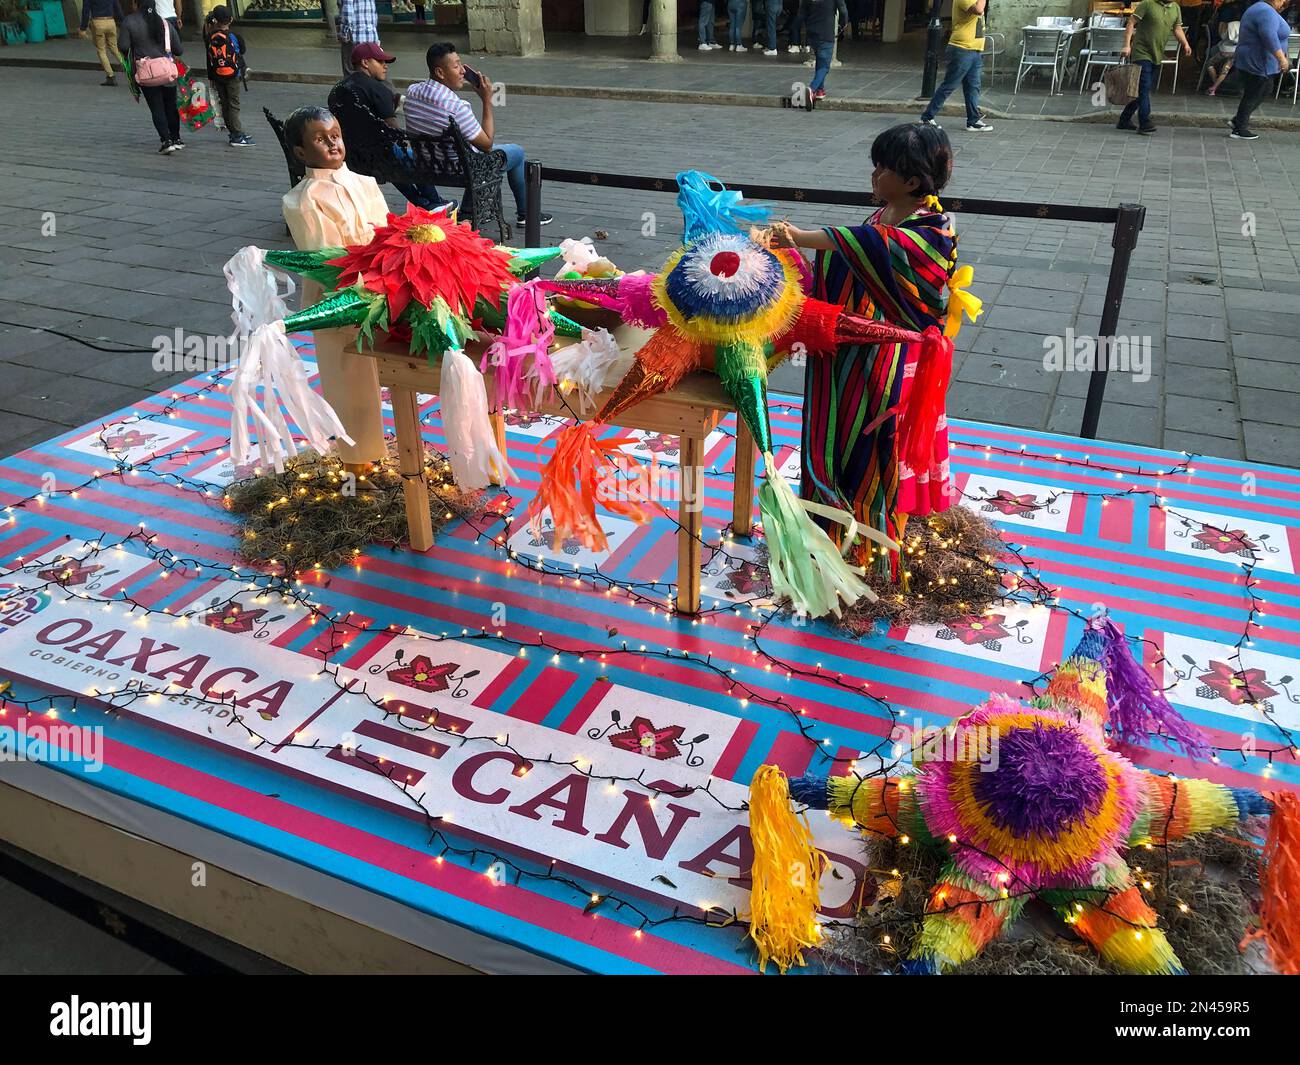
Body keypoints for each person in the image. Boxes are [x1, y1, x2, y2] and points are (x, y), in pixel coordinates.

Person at [765, 123, 960, 569]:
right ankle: (828, 532)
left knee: (875, 447)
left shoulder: (931, 231)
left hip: (887, 363)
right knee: (831, 439)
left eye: (882, 169)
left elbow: (862, 245)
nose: (873, 177)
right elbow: (855, 251)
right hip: (847, 351)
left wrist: (800, 237)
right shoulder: (886, 214)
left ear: (912, 181)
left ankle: (872, 546)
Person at [280, 106, 389, 471]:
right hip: (338, 300)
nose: (332, 143)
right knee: (346, 378)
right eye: (319, 138)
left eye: (336, 134)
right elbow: (329, 259)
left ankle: (381, 451)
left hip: (380, 288)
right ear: (299, 152)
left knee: (379, 377)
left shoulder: (366, 183)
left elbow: (385, 232)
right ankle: (356, 464)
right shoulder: (303, 199)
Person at [404, 42, 554, 227]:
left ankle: (468, 210)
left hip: (426, 165)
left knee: (470, 151)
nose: (462, 72)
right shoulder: (456, 107)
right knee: (516, 152)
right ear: (440, 73)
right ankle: (526, 214)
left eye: (461, 65)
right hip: (459, 169)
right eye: (456, 66)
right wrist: (486, 101)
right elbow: (487, 144)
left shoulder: (412, 92)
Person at [335, 42, 452, 212]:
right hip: (378, 157)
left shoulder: (337, 90)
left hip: (349, 156)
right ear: (365, 63)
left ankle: (427, 203)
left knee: (393, 158)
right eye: (380, 62)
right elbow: (394, 132)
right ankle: (431, 202)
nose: (385, 66)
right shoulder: (377, 89)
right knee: (412, 156)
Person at [118, 0, 184, 154]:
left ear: (136, 4)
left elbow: (123, 46)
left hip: (147, 73)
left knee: (157, 107)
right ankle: (176, 138)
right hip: (168, 73)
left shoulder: (130, 22)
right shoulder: (165, 23)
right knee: (171, 106)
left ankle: (166, 141)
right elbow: (179, 50)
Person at [1118, 0, 1192, 134]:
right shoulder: (1147, 4)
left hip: (1157, 54)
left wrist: (1185, 43)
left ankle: (1124, 119)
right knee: (1144, 87)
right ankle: (1145, 122)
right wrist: (1127, 45)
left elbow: (1177, 28)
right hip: (1141, 52)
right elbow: (1131, 23)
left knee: (1142, 89)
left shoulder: (1175, 8)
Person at [919, 0, 992, 131]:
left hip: (975, 50)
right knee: (949, 85)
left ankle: (973, 120)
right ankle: (927, 117)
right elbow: (979, 10)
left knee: (973, 86)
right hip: (962, 49)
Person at [1230, 0, 1292, 138]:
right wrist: (1281, 58)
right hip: (1258, 61)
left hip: (1258, 60)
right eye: (1283, 0)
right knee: (1254, 93)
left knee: (1264, 89)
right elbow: (1269, 36)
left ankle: (1238, 121)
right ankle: (1239, 128)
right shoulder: (1265, 11)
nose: (1283, 3)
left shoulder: (1260, 8)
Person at [203, 6, 253, 147]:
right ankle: (237, 136)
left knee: (225, 104)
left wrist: (211, 77)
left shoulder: (209, 37)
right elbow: (242, 50)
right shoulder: (234, 37)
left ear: (215, 20)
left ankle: (234, 132)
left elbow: (209, 58)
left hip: (217, 75)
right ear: (230, 19)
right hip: (233, 75)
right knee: (234, 105)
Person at [805, 0, 848, 101]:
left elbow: (802, 14)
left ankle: (820, 90)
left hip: (812, 34)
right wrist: (843, 24)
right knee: (824, 66)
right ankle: (812, 88)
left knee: (820, 62)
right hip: (826, 34)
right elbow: (843, 11)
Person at [78, 0, 124, 87]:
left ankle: (110, 76)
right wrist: (123, 23)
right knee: (114, 49)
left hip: (98, 22)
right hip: (111, 22)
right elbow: (117, 8)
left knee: (101, 50)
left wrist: (83, 28)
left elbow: (86, 11)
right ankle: (129, 70)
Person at [337, 0, 381, 75]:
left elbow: (347, 12)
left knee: (351, 71)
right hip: (371, 37)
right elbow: (374, 15)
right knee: (369, 71)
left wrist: (343, 34)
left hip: (355, 37)